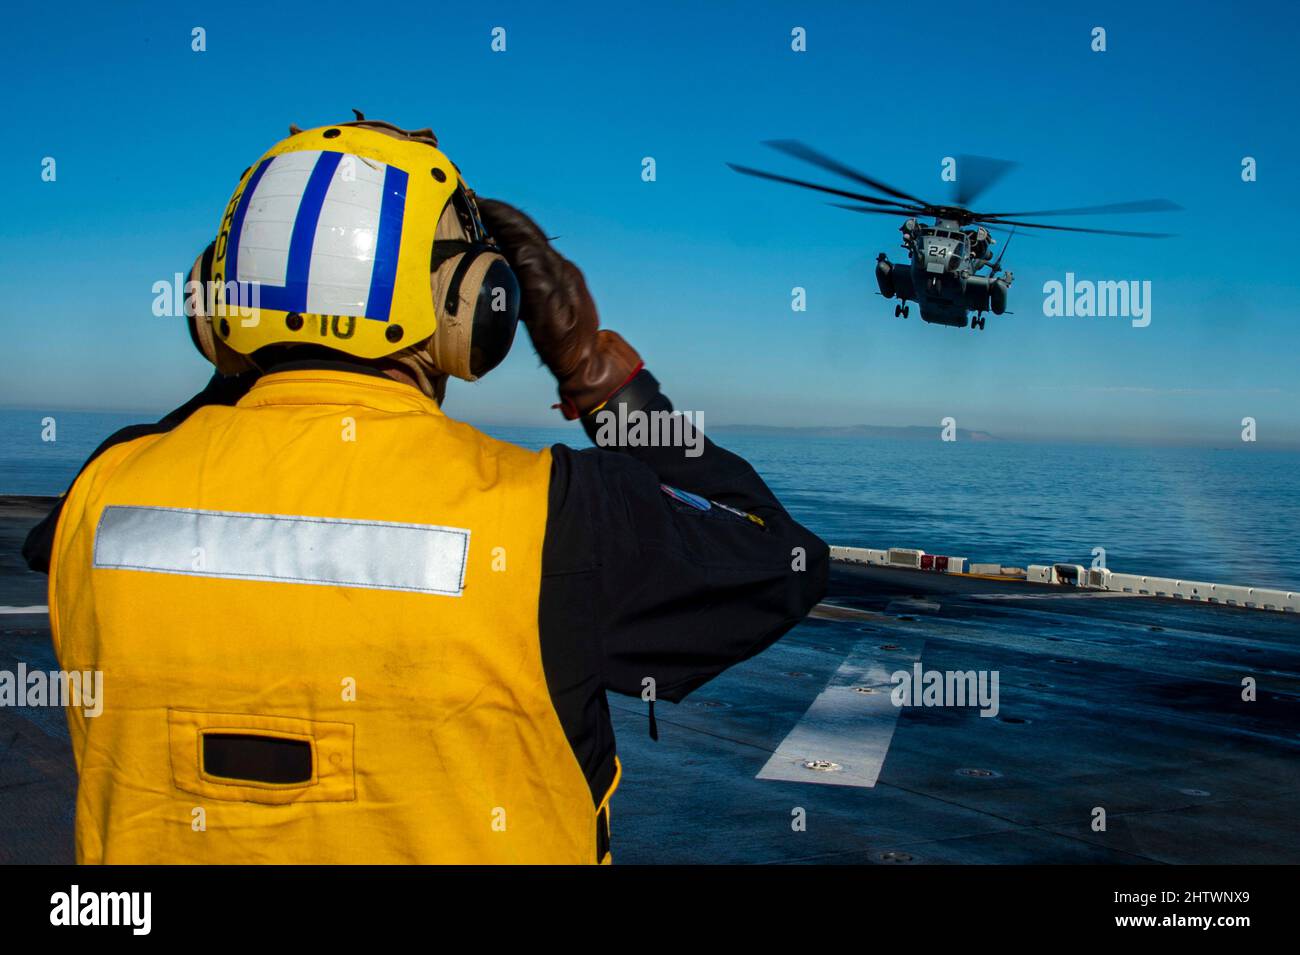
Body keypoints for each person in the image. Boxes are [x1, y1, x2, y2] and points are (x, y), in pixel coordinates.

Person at [23, 118, 829, 864]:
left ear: (214, 305)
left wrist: (251, 354)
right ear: (474, 308)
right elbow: (782, 555)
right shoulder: (556, 514)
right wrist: (595, 372)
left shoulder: (101, 496)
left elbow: (87, 513)